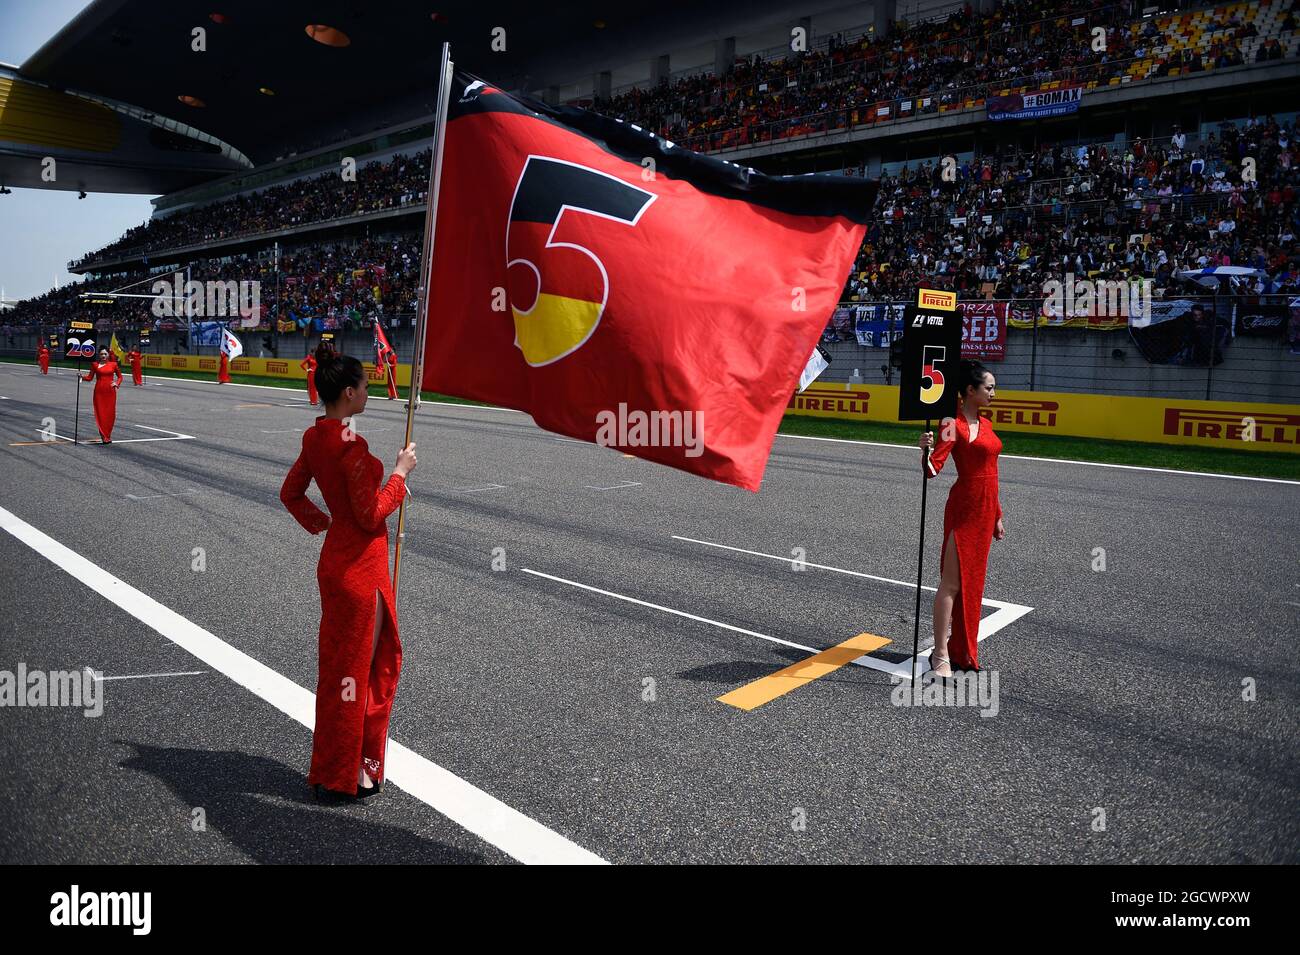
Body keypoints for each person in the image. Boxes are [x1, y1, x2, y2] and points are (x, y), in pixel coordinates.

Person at [279, 344, 418, 802]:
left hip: (336, 564)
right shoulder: (352, 449)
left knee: (337, 672)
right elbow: (370, 512)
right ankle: (351, 773)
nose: (367, 391)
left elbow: (292, 494)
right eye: (362, 386)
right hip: (363, 570)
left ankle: (329, 767)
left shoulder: (315, 437)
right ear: (347, 392)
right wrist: (398, 476)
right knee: (366, 671)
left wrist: (325, 524)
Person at [917, 360, 1006, 676]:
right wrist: (925, 449)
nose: (994, 393)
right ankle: (940, 653)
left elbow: (993, 474)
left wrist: (997, 515)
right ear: (971, 390)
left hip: (984, 513)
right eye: (989, 388)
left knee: (974, 586)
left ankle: (963, 652)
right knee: (952, 584)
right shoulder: (951, 424)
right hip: (963, 510)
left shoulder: (988, 425)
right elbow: (932, 470)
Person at [81, 346, 124, 444]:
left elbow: (120, 377)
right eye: (101, 354)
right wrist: (81, 377)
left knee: (110, 414)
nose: (103, 356)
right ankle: (104, 436)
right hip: (99, 392)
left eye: (105, 354)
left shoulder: (113, 364)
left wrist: (117, 383)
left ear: (108, 354)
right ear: (99, 355)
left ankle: (108, 435)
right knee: (100, 414)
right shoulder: (95, 364)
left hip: (110, 392)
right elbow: (89, 378)